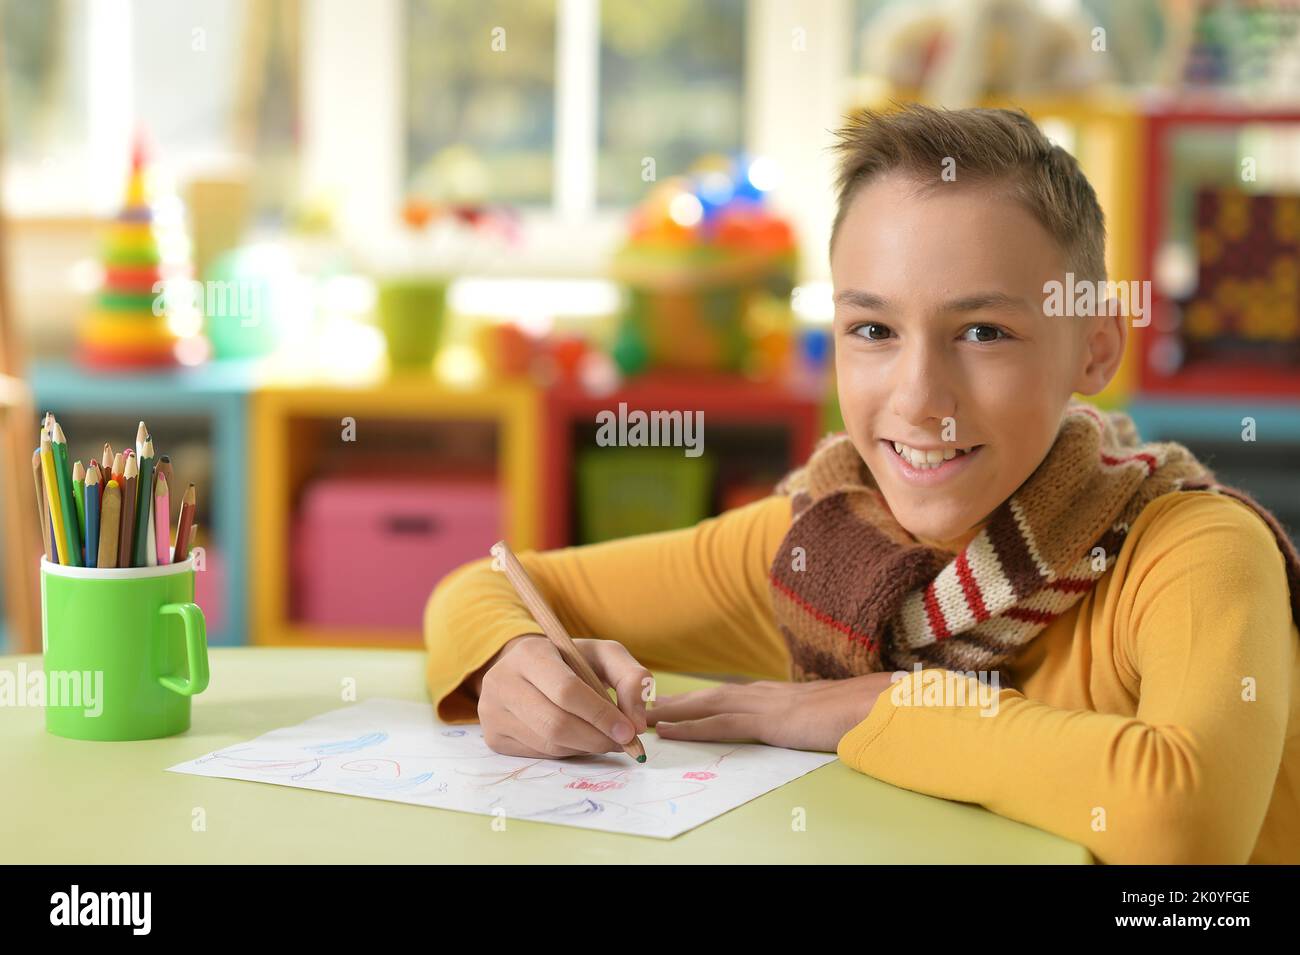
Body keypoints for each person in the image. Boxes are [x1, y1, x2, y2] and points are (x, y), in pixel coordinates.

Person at [424, 105, 1300, 864]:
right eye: (873, 328)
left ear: (1095, 348)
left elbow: (1189, 824)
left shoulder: (1193, 550)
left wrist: (874, 706)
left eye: (985, 331)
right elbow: (492, 584)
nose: (919, 399)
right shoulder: (819, 547)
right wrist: (513, 663)